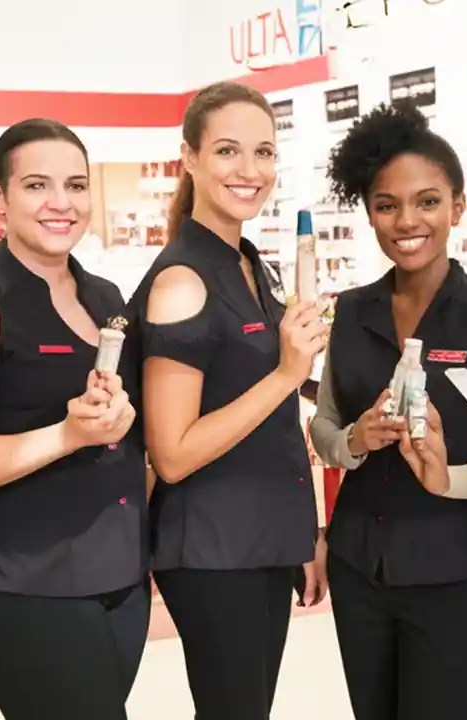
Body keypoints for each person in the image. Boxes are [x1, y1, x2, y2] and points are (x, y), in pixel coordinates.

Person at [0, 118, 149, 720]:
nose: (61, 203)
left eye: (76, 185)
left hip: (118, 569)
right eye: (37, 185)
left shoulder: (105, 297)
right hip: (24, 579)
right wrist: (67, 435)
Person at [308, 101, 467, 720]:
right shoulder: (350, 310)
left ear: (458, 207)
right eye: (387, 205)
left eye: (427, 201)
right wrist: (355, 441)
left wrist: (445, 475)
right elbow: (324, 426)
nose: (407, 221)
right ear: (369, 213)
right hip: (358, 564)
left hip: (449, 569)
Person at [126, 80, 327, 720]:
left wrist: (305, 534)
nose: (250, 170)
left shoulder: (249, 263)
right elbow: (173, 453)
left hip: (262, 538)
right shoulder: (183, 281)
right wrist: (287, 374)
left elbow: (272, 424)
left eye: (264, 152)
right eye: (227, 151)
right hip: (214, 549)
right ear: (189, 157)